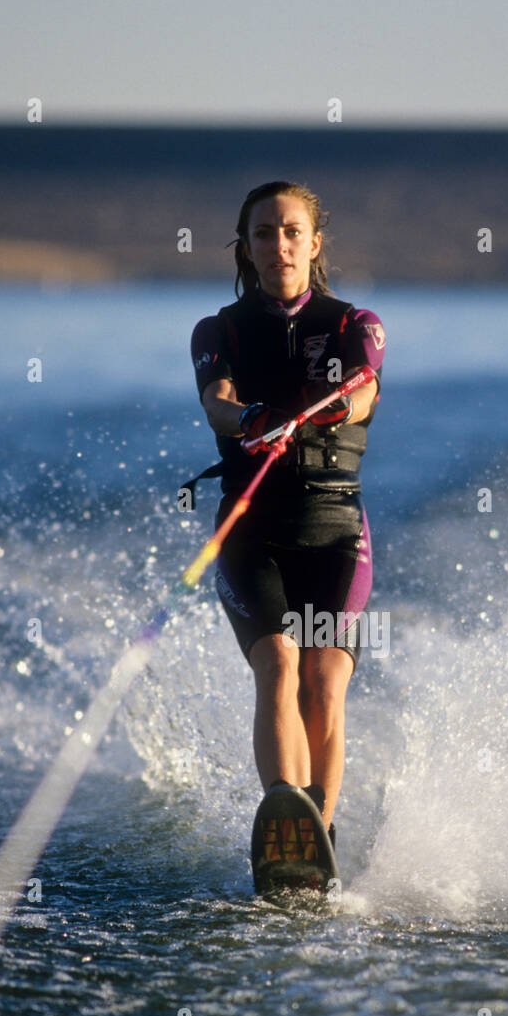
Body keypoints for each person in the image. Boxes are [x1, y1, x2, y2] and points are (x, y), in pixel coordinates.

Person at [187, 180, 385, 849]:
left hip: (333, 531)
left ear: (314, 242)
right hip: (251, 533)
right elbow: (215, 399)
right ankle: (285, 819)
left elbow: (364, 391)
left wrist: (329, 408)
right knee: (278, 663)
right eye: (264, 233)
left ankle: (317, 838)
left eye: (291, 230)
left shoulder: (354, 325)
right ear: (246, 247)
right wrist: (248, 419)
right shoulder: (220, 331)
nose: (279, 244)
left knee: (325, 681)